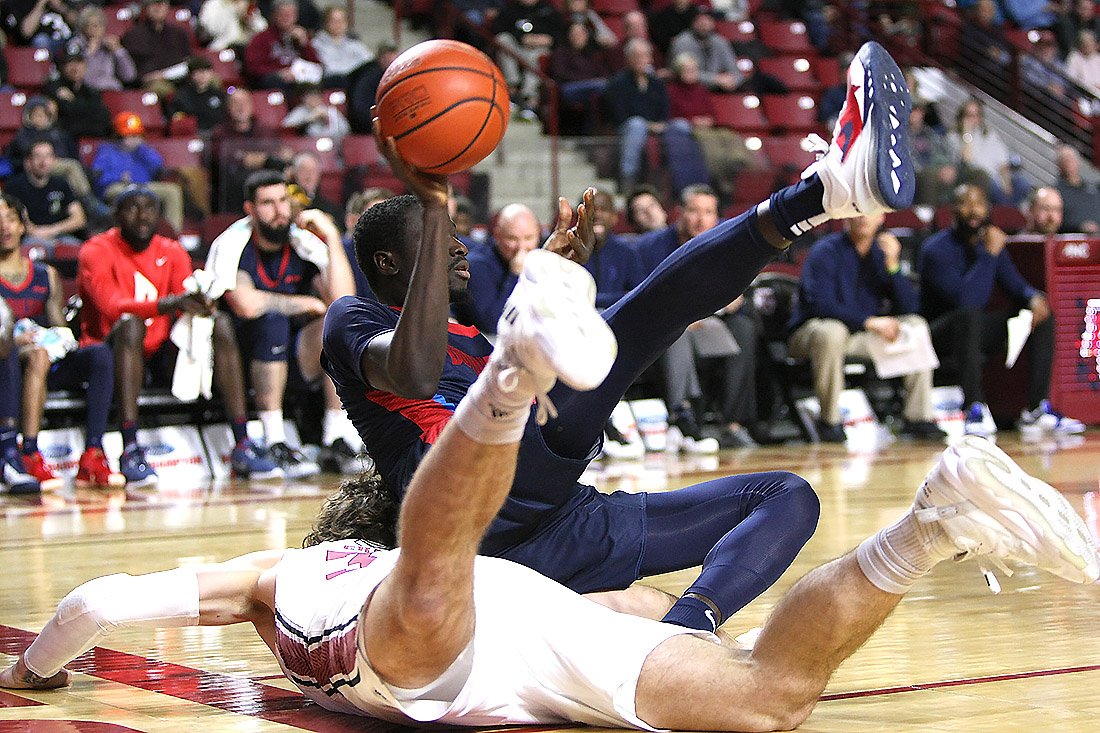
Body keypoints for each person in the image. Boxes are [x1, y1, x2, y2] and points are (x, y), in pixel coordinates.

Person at [5, 269, 1096, 731]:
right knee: (767, 701)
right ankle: (930, 516)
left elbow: (100, 601)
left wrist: (32, 668)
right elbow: (627, 603)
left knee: (427, 590)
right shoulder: (387, 558)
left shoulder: (269, 578)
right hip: (521, 621)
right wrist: (668, 615)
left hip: (421, 632)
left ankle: (514, 366)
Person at [325, 42, 919, 632]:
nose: (455, 244)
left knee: (785, 496)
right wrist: (431, 202)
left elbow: (514, 370)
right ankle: (820, 194)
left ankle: (688, 631)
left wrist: (555, 279)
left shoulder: (470, 335)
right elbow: (415, 374)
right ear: (386, 262)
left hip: (541, 523)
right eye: (435, 237)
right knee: (644, 318)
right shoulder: (352, 319)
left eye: (453, 230)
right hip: (463, 500)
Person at [77, 185, 281, 484]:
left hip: (160, 354)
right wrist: (168, 303)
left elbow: (185, 301)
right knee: (130, 324)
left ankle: (242, 443)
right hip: (110, 353)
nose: (142, 216)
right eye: (133, 208)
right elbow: (111, 308)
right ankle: (130, 448)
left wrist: (202, 303)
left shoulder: (170, 250)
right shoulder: (96, 249)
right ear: (117, 215)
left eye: (149, 208)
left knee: (220, 323)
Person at [206, 171, 358, 477]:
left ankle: (336, 437)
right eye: (268, 203)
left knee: (338, 323)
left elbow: (344, 301)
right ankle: (274, 439)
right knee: (272, 322)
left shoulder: (301, 244)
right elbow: (245, 305)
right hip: (242, 356)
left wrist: (330, 238)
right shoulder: (235, 244)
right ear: (250, 209)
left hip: (297, 355)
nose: (279, 211)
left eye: (283, 201)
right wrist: (305, 303)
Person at [918, 184, 1084, 437]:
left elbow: (1016, 285)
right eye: (966, 203)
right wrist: (989, 255)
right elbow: (966, 300)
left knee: (1042, 313)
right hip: (938, 334)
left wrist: (1033, 298)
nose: (973, 210)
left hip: (977, 331)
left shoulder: (988, 242)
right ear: (953, 210)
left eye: (979, 204)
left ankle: (1036, 408)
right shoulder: (935, 249)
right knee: (969, 315)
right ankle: (974, 406)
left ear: (988, 209)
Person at [0, 192, 123, 491]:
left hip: (43, 364)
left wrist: (60, 334)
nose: (3, 227)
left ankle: (93, 453)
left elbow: (58, 327)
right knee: (34, 355)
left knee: (99, 355)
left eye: (10, 219)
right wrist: (18, 341)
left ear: (22, 225)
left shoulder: (46, 275)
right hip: (7, 367)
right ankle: (27, 452)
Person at [788, 213, 946, 443]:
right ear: (845, 217)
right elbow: (820, 304)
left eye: (869, 210)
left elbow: (911, 307)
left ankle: (918, 418)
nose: (863, 216)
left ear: (881, 217)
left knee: (915, 325)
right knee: (833, 332)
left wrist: (893, 266)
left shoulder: (880, 253)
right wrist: (868, 321)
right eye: (856, 211)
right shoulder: (826, 250)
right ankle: (829, 421)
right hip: (811, 333)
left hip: (858, 337)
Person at [603, 38, 704, 193]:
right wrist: (648, 124)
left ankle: (686, 180)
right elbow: (619, 115)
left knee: (681, 125)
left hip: (657, 126)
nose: (641, 60)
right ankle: (628, 178)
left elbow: (664, 111)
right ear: (629, 59)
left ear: (650, 59)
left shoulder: (657, 83)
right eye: (636, 56)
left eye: (644, 56)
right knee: (636, 125)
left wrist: (660, 123)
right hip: (629, 128)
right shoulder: (618, 83)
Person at [92, 112, 187, 234]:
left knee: (172, 190)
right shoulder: (107, 150)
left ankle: (172, 234)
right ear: (119, 136)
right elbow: (98, 177)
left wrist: (142, 149)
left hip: (143, 186)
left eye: (136, 135)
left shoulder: (143, 151)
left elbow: (158, 165)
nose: (133, 139)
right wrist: (118, 177)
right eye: (129, 136)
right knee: (120, 192)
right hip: (118, 187)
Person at [463, 203, 541, 335]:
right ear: (497, 236)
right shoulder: (477, 265)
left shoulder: (542, 260)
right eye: (512, 239)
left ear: (538, 235)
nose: (521, 247)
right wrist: (516, 275)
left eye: (528, 238)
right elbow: (493, 325)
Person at [3, 140, 86, 245]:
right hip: (30, 238)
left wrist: (51, 230)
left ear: (54, 160)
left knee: (77, 248)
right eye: (38, 156)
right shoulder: (14, 186)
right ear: (28, 161)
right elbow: (11, 219)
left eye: (48, 156)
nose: (43, 162)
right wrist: (34, 231)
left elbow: (79, 219)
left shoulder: (61, 184)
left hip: (61, 236)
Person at [491, 0, 566, 116]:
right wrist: (521, 37)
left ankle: (529, 100)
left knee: (536, 56)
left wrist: (549, 40)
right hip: (517, 48)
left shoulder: (549, 11)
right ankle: (512, 90)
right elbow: (497, 29)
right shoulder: (510, 10)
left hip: (539, 49)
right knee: (503, 39)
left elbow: (563, 35)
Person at [243, 0, 321, 91]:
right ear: (274, 15)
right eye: (282, 14)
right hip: (275, 80)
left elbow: (316, 64)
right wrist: (278, 72)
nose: (286, 18)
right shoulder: (262, 38)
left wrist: (305, 45)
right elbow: (253, 68)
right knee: (274, 81)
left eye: (290, 14)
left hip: (298, 79)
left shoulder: (300, 36)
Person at [44, 40, 113, 140]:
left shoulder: (91, 92)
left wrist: (73, 103)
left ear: (85, 65)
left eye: (79, 62)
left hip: (89, 139)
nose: (75, 68)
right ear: (62, 67)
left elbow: (102, 120)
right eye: (70, 63)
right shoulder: (54, 88)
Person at [121, 0, 192, 95]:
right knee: (163, 89)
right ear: (146, 8)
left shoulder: (178, 33)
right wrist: (144, 77)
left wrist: (165, 75)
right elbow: (130, 70)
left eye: (162, 4)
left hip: (180, 78)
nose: (158, 8)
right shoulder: (133, 35)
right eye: (154, 4)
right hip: (151, 82)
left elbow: (188, 60)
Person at [668, 9, 743, 93]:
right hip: (689, 88)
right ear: (692, 23)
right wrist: (716, 79)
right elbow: (684, 73)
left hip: (718, 87)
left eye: (707, 20)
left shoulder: (720, 41)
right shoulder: (681, 42)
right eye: (700, 21)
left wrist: (732, 81)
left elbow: (734, 70)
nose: (704, 24)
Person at [75, 6, 137, 92]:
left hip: (112, 90)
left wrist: (118, 51)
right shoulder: (76, 46)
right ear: (83, 28)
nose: (95, 29)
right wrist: (89, 53)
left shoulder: (109, 45)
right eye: (91, 25)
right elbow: (83, 79)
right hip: (89, 93)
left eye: (98, 25)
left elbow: (129, 76)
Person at [311, 6, 373, 87]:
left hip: (355, 83)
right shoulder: (316, 44)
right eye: (334, 21)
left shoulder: (355, 44)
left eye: (341, 21)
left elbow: (369, 61)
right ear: (325, 23)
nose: (338, 24)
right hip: (331, 83)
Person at [166, 56, 228, 134]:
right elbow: (176, 118)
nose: (203, 76)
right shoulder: (181, 96)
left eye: (206, 71)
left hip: (218, 133)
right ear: (191, 75)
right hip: (193, 133)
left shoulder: (219, 94)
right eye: (198, 72)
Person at [1054, 144, 1100, 234]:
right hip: (1070, 240)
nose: (1068, 163)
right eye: (1064, 160)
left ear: (1078, 162)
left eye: (1071, 159)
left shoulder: (1092, 190)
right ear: (1059, 165)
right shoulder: (1055, 193)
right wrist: (1078, 227)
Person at [281, 83, 350, 141]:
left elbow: (345, 130)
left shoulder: (331, 111)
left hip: (332, 144)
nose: (313, 99)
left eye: (316, 96)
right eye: (309, 97)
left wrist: (328, 119)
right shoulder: (300, 111)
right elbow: (287, 128)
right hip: (308, 145)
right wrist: (309, 119)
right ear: (303, 99)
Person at [199, 0, 268, 52]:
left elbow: (264, 30)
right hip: (224, 46)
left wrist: (249, 20)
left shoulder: (246, 4)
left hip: (247, 47)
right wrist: (232, 10)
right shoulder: (213, 4)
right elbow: (213, 30)